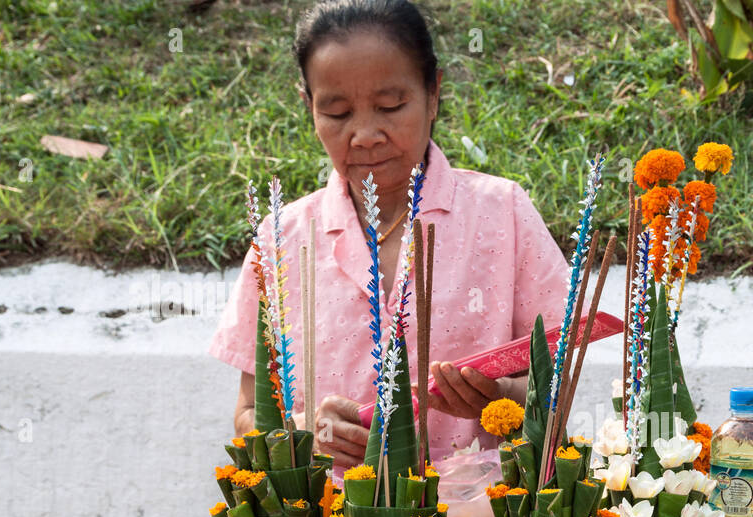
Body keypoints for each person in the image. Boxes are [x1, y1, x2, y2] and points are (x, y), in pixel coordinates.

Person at [209, 0, 571, 476]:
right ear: (309, 108)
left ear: (433, 93)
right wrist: (309, 434)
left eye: (390, 106)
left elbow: (558, 392)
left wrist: (501, 401)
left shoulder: (502, 214)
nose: (365, 135)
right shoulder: (283, 239)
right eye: (337, 113)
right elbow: (249, 417)